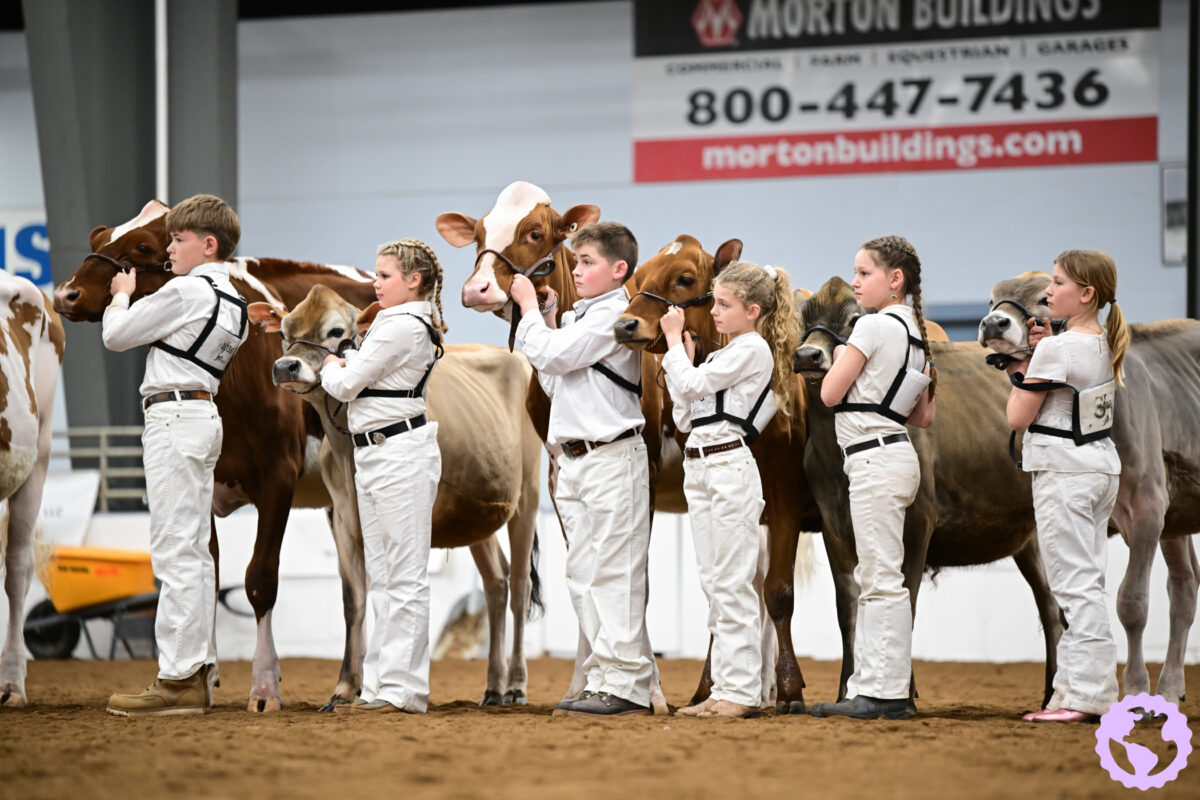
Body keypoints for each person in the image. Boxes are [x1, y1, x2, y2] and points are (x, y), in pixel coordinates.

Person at [104, 194, 249, 716]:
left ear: (209, 245)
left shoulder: (189, 290)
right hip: (203, 415)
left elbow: (117, 336)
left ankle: (179, 678)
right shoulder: (234, 301)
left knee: (175, 550)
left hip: (173, 417)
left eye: (178, 239)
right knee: (195, 549)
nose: (169, 249)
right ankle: (199, 668)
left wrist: (121, 295)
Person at [509, 221, 653, 717]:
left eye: (587, 262)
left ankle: (628, 686)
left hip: (612, 454)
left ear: (620, 270)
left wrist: (530, 311)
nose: (577, 270)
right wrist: (546, 324)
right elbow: (554, 379)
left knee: (615, 572)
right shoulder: (583, 319)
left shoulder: (616, 313)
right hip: (574, 458)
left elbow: (550, 355)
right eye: (576, 262)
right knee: (585, 575)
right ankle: (605, 678)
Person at [658, 261, 798, 719]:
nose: (714, 312)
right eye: (715, 302)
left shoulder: (753, 349)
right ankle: (726, 688)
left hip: (728, 463)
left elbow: (693, 383)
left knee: (734, 582)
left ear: (753, 311)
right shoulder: (722, 354)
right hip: (699, 465)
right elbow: (684, 415)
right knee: (716, 583)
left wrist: (677, 349)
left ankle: (739, 692)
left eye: (724, 304)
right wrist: (683, 366)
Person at [809, 235, 937, 721]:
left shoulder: (873, 327)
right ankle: (879, 685)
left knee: (880, 579)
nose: (856, 282)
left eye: (864, 273)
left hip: (871, 459)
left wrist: (845, 354)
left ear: (894, 279)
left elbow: (829, 393)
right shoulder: (915, 332)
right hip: (898, 453)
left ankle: (881, 691)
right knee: (886, 578)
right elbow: (923, 416)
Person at [320, 238, 448, 714]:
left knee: (404, 574)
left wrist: (333, 365)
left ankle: (403, 690)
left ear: (413, 281)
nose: (376, 282)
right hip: (377, 451)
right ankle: (381, 685)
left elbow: (348, 384)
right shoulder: (394, 324)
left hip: (399, 450)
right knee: (386, 573)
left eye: (385, 275)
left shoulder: (403, 325)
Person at [1005, 249, 1126, 723]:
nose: (1048, 292)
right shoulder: (1102, 342)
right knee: (1086, 581)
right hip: (1098, 468)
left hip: (1064, 472)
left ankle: (1089, 696)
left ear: (1086, 294)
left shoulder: (1058, 348)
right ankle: (1070, 691)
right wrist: (1037, 355)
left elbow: (1017, 416)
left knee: (1074, 587)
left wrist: (1023, 363)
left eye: (1057, 283)